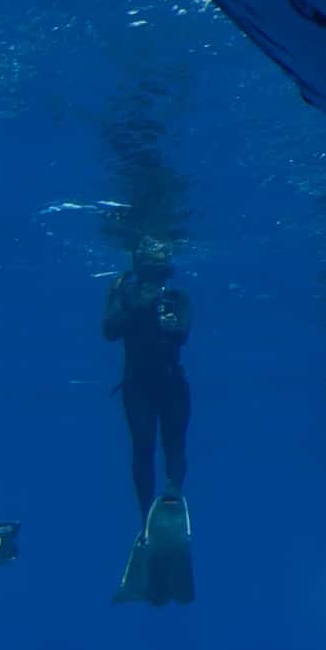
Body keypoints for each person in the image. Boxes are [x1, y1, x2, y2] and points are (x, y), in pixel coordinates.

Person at [101, 257, 195, 605]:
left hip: (172, 384)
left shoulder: (177, 297)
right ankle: (146, 521)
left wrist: (166, 320)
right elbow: (109, 330)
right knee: (142, 449)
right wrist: (138, 306)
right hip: (137, 387)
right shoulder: (121, 291)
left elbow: (182, 333)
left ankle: (172, 495)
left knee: (174, 446)